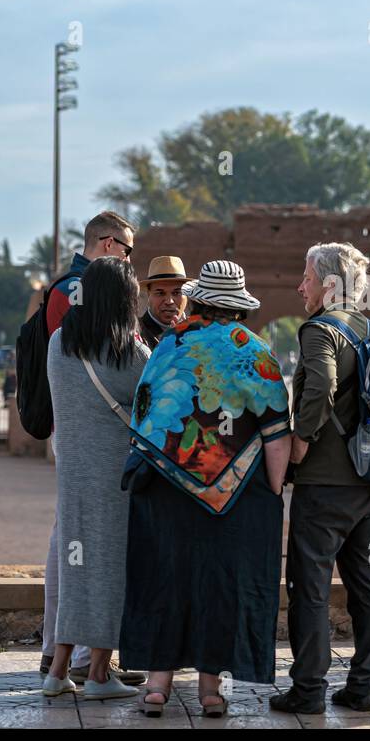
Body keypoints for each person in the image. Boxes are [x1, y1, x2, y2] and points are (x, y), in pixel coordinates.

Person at [119, 260, 291, 717]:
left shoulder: (169, 345)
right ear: (237, 307)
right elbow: (276, 431)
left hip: (165, 490)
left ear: (195, 299)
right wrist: (273, 491)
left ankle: (157, 686)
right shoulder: (254, 350)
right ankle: (211, 691)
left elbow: (145, 417)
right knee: (219, 586)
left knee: (165, 580)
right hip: (231, 501)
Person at [270, 243, 370, 715]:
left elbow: (319, 384)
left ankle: (308, 689)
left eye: (306, 277)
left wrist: (302, 437)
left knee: (310, 585)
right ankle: (363, 687)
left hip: (325, 482)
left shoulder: (320, 330)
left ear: (330, 285)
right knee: (367, 585)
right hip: (369, 481)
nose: (300, 286)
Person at [39, 210, 146, 687]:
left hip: (72, 475)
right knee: (109, 576)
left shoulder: (60, 342)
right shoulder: (131, 354)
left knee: (74, 572)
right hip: (113, 479)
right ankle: (100, 672)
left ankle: (58, 670)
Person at [137, 255, 190, 349]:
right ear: (149, 295)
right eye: (160, 293)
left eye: (176, 293)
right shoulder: (135, 334)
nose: (169, 301)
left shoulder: (199, 332)